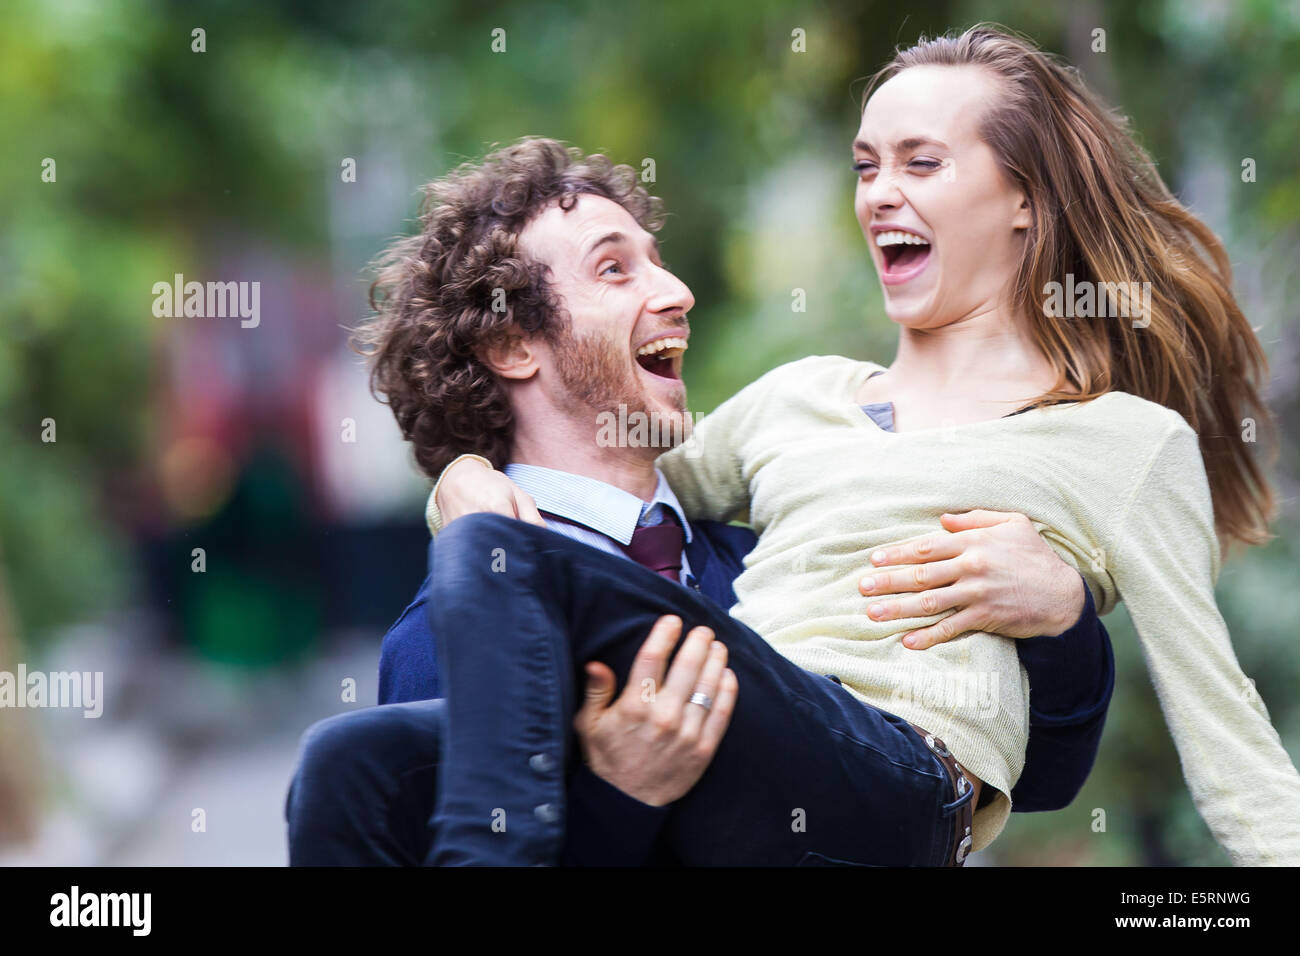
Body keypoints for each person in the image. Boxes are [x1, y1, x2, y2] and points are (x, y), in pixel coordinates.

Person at [429, 24, 1300, 866]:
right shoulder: (797, 397)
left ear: (1025, 200)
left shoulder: (1126, 442)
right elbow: (612, 497)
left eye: (922, 162)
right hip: (749, 762)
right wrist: (465, 481)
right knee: (355, 768)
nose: (879, 191)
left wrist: (1068, 616)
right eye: (866, 165)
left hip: (898, 777)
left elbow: (1223, 726)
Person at [287, 128, 1112, 867]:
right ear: (510, 341)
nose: (676, 289)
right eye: (614, 267)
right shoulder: (441, 633)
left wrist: (1060, 618)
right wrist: (621, 796)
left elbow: (1033, 778)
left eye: (657, 257)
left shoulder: (773, 555)